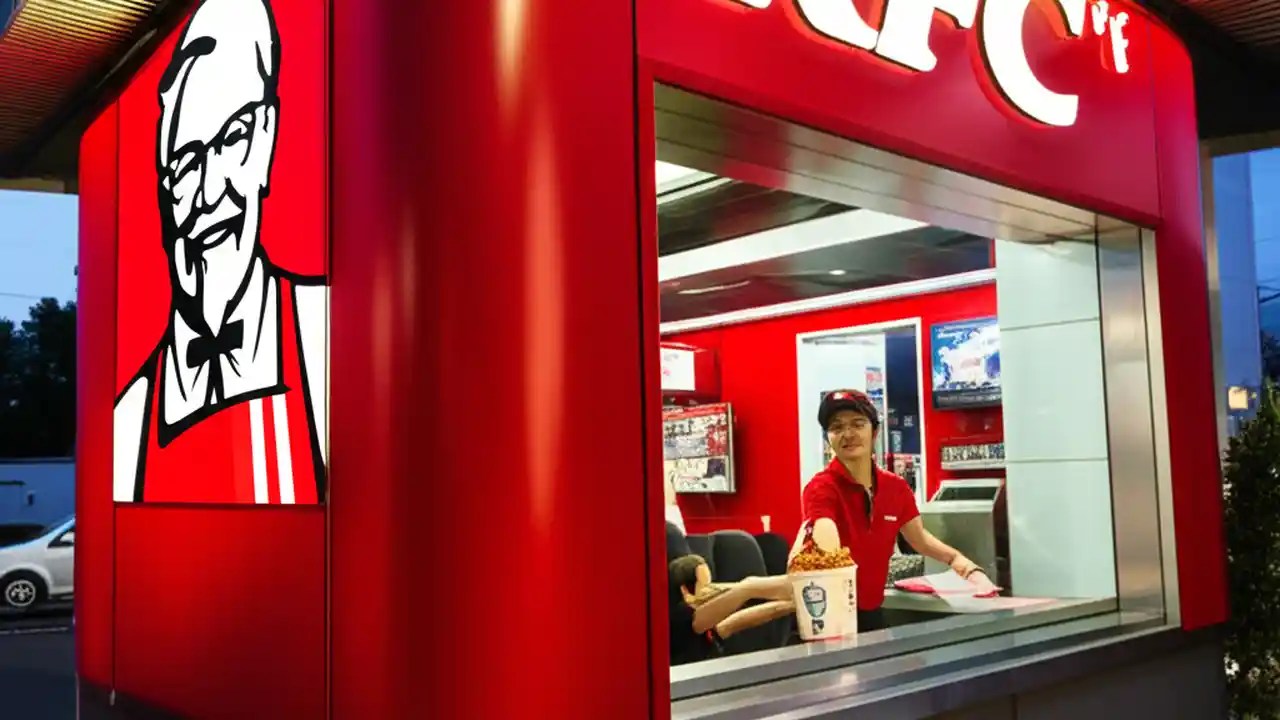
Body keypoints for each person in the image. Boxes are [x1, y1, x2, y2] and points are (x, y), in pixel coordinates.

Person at [112, 0, 327, 505]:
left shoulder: (326, 338)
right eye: (187, 163)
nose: (210, 191)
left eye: (233, 138)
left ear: (267, 140)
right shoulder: (130, 418)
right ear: (164, 191)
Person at [797, 390, 995, 632]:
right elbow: (826, 550)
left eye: (857, 424)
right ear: (828, 438)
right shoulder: (820, 488)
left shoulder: (895, 488)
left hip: (872, 613)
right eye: (836, 427)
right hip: (830, 614)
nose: (847, 434)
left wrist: (963, 565)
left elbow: (920, 540)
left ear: (875, 432)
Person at [667, 554, 794, 665]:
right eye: (705, 585)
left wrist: (792, 605)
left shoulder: (708, 630)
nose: (711, 589)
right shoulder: (681, 622)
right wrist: (749, 588)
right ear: (684, 590)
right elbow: (698, 620)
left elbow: (734, 623)